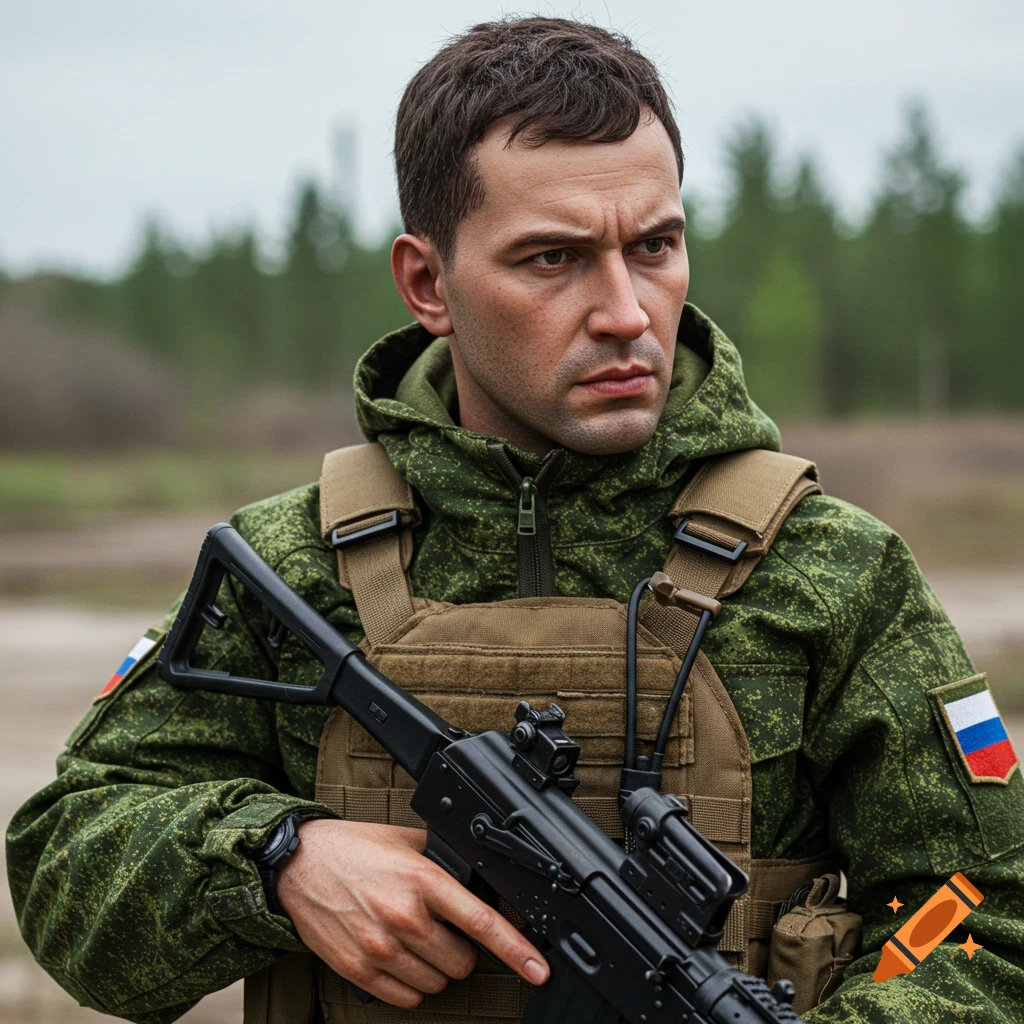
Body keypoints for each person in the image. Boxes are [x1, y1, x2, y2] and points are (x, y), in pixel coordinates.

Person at [8, 15, 1024, 1024]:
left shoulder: (830, 569)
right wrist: (278, 858)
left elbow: (977, 907)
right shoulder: (295, 564)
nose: (626, 309)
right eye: (552, 258)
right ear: (426, 283)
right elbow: (71, 867)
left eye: (655, 245)